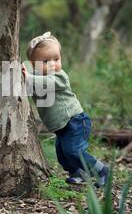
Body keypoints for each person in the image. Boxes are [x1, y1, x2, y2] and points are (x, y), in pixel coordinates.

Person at [22, 31, 109, 187]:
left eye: (56, 59)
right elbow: (31, 88)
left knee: (73, 151)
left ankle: (102, 170)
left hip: (75, 121)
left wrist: (28, 77)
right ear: (33, 64)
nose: (53, 64)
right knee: (62, 155)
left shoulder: (59, 77)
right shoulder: (36, 79)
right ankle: (79, 174)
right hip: (62, 126)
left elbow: (45, 83)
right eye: (46, 61)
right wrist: (23, 77)